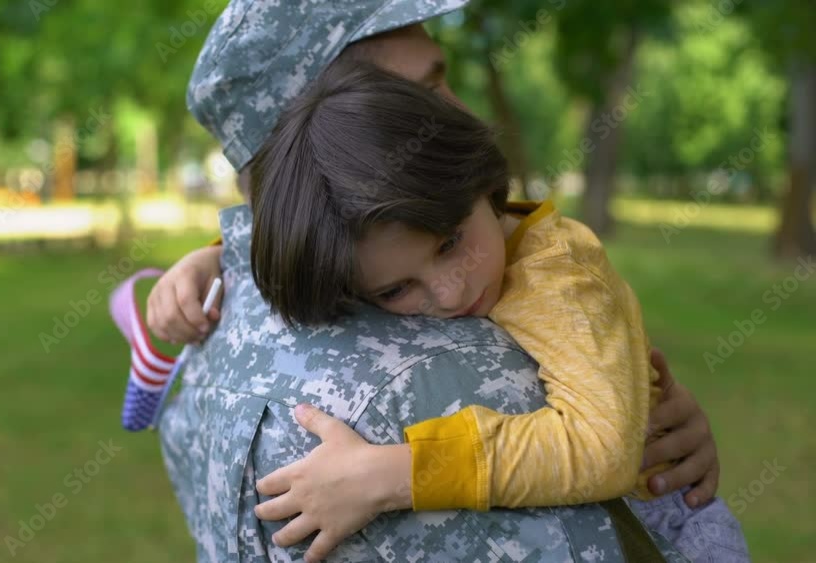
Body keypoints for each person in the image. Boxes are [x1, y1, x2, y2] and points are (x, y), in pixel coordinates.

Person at [152, 1, 721, 561]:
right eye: (418, 95)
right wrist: (217, 255)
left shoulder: (553, 272)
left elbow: (601, 448)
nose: (448, 293)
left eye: (449, 240)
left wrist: (394, 474)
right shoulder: (352, 264)